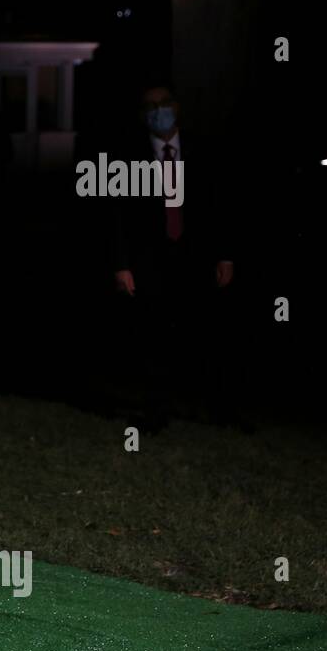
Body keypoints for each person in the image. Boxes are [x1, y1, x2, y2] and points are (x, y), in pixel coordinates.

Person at [108, 82, 237, 431]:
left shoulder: (202, 150)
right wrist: (122, 264)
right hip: (151, 260)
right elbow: (118, 214)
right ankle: (156, 411)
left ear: (176, 108)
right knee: (154, 336)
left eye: (164, 103)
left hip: (195, 258)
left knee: (204, 334)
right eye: (150, 106)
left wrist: (224, 256)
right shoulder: (129, 155)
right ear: (142, 115)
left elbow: (218, 205)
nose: (158, 111)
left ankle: (217, 409)